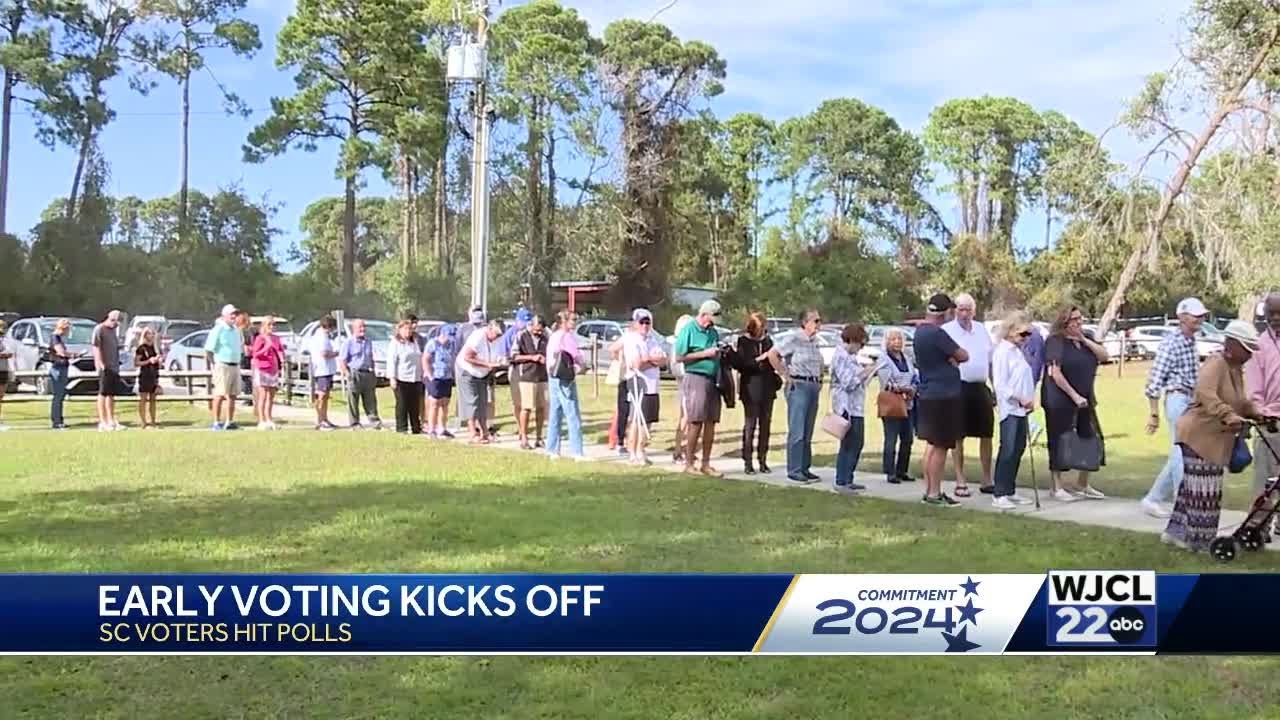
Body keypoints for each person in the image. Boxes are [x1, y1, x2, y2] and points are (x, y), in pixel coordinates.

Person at [1162, 321, 1264, 552]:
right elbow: (1205, 394)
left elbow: (1240, 400)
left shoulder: (1235, 369)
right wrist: (1228, 414)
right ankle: (1199, 541)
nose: (1249, 354)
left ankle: (1175, 533)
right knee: (1205, 490)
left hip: (1215, 438)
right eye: (1246, 348)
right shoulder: (1216, 363)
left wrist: (1256, 413)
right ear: (1232, 344)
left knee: (1193, 488)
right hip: (1199, 436)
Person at [1141, 298, 1209, 517]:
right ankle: (1185, 504)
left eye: (1201, 315)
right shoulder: (1172, 342)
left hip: (1189, 400)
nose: (1200, 319)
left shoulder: (1190, 341)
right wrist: (1153, 414)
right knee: (1181, 453)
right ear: (1182, 317)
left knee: (1181, 453)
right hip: (1177, 400)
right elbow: (1154, 382)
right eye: (1195, 315)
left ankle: (1153, 499)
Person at [1042, 305, 1110, 501]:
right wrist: (1074, 396)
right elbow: (1055, 373)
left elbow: (1104, 356)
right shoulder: (1055, 341)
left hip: (1086, 396)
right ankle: (1057, 486)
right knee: (1060, 439)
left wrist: (1083, 340)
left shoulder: (1086, 337)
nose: (1079, 322)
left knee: (1091, 437)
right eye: (1074, 320)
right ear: (1064, 322)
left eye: (1080, 318)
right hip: (1059, 399)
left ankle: (1083, 483)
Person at [914, 294, 968, 507]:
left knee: (932, 443)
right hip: (943, 394)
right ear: (946, 312)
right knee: (942, 446)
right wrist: (952, 358)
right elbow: (963, 355)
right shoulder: (937, 334)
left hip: (928, 392)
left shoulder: (920, 332)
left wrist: (949, 358)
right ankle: (934, 493)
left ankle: (929, 490)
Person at [765, 310, 826, 484]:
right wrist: (785, 374)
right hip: (798, 385)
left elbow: (819, 363)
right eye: (816, 320)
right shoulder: (794, 338)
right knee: (797, 430)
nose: (819, 324)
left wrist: (820, 379)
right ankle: (794, 469)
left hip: (813, 385)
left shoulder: (814, 342)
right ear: (805, 322)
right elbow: (773, 355)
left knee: (808, 430)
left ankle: (805, 468)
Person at [942, 293, 995, 496]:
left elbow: (990, 362)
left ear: (974, 311)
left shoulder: (981, 330)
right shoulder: (947, 331)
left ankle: (987, 478)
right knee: (958, 435)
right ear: (955, 310)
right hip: (958, 387)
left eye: (968, 309)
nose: (964, 314)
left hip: (980, 387)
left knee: (986, 433)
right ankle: (960, 479)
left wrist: (995, 387)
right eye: (960, 309)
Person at [991, 314, 1038, 510]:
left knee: (1018, 448)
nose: (1026, 337)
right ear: (1010, 331)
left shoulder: (1018, 351)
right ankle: (1000, 492)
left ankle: (1010, 489)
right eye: (1023, 333)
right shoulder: (1002, 352)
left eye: (1028, 334)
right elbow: (1001, 385)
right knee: (1008, 449)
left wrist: (1030, 399)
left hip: (1022, 409)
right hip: (1010, 409)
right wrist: (1019, 398)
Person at [674, 300, 726, 478]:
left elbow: (714, 350)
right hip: (695, 378)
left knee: (711, 421)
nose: (712, 323)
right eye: (711, 319)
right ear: (704, 315)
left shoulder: (712, 332)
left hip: (713, 379)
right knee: (696, 420)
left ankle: (706, 463)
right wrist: (705, 354)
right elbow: (679, 356)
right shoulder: (688, 329)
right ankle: (689, 462)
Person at [1245, 293, 1280, 542]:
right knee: (1265, 481)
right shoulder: (1259, 347)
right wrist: (1260, 415)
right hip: (1271, 423)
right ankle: (1257, 528)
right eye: (1271, 314)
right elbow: (1254, 392)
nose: (1276, 318)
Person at [831, 324, 876, 494]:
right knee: (850, 443)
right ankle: (841, 480)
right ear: (851, 340)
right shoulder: (841, 356)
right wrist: (865, 372)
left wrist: (867, 373)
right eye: (860, 344)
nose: (860, 348)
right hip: (845, 406)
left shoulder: (850, 357)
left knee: (857, 442)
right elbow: (848, 382)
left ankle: (848, 478)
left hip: (856, 406)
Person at [733, 312, 780, 475]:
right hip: (751, 387)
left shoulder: (768, 341)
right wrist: (760, 359)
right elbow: (742, 364)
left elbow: (774, 360)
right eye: (761, 327)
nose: (763, 330)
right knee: (750, 425)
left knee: (765, 425)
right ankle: (747, 461)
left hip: (767, 386)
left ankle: (763, 459)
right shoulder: (743, 341)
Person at [621, 308, 667, 466]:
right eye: (642, 322)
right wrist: (651, 359)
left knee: (648, 421)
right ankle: (633, 452)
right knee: (636, 419)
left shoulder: (652, 340)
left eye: (647, 322)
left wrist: (649, 359)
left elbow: (663, 360)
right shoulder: (632, 340)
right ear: (635, 323)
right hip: (638, 384)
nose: (645, 325)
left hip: (652, 386)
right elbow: (636, 364)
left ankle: (641, 449)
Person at [877, 327, 917, 484]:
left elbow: (914, 375)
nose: (897, 342)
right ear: (887, 341)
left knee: (907, 438)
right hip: (892, 403)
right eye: (893, 339)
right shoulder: (883, 359)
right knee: (891, 438)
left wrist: (913, 388)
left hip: (908, 403)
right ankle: (890, 471)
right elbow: (886, 381)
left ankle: (902, 470)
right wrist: (902, 389)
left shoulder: (906, 358)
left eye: (899, 339)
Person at [456, 319, 506, 443]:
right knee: (471, 402)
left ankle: (485, 432)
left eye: (499, 335)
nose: (497, 337)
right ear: (489, 329)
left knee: (483, 402)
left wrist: (499, 363)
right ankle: (472, 433)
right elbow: (467, 356)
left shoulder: (498, 338)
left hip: (483, 374)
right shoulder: (478, 336)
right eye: (496, 334)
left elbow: (497, 354)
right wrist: (487, 364)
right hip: (467, 370)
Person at [545, 310, 586, 460]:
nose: (575, 322)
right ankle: (577, 451)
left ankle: (551, 449)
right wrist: (582, 365)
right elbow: (576, 356)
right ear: (564, 322)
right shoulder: (567, 337)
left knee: (555, 413)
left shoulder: (553, 336)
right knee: (572, 414)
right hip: (565, 378)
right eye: (573, 320)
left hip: (553, 377)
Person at [202, 304, 243, 431]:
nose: (234, 316)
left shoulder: (236, 330)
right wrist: (214, 364)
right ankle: (216, 422)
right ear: (224, 316)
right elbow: (208, 350)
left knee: (232, 395)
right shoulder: (218, 329)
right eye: (231, 314)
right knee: (220, 394)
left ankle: (229, 421)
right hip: (222, 365)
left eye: (235, 314)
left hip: (234, 365)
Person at [512, 314, 550, 450]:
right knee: (526, 407)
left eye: (541, 330)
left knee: (542, 408)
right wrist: (532, 357)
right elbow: (514, 356)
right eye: (536, 330)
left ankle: (539, 437)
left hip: (542, 376)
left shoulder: (546, 337)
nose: (538, 333)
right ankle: (524, 437)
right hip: (526, 376)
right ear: (531, 326)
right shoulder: (521, 336)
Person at [340, 319, 382, 430]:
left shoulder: (368, 341)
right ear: (354, 329)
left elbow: (370, 357)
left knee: (370, 399)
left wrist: (373, 370)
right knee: (353, 400)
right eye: (360, 327)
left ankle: (374, 421)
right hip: (355, 373)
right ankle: (355, 423)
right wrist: (347, 374)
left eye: (364, 327)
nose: (363, 329)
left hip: (367, 373)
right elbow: (343, 360)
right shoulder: (348, 342)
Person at [387, 320, 425, 434]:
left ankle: (416, 427)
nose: (408, 331)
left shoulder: (414, 343)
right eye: (405, 329)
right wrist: (392, 378)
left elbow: (419, 358)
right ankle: (402, 427)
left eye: (410, 329)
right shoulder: (395, 343)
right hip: (401, 378)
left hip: (415, 378)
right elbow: (391, 361)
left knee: (415, 404)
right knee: (402, 404)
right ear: (399, 330)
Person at [92, 309, 125, 432]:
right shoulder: (99, 329)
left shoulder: (113, 332)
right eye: (115, 322)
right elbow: (96, 347)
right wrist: (101, 364)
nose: (116, 325)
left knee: (111, 394)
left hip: (114, 366)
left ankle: (111, 420)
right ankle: (103, 421)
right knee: (103, 393)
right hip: (104, 367)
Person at [250, 315, 285, 430]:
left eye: (273, 324)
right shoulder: (260, 338)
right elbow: (255, 354)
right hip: (262, 368)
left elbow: (280, 350)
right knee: (263, 395)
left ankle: (269, 418)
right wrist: (266, 348)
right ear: (264, 325)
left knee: (271, 395)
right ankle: (261, 420)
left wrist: (282, 359)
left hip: (273, 368)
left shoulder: (276, 338)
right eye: (269, 324)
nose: (272, 327)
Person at [424, 324, 458, 438]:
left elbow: (452, 359)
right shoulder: (432, 343)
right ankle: (431, 429)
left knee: (445, 403)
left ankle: (442, 428)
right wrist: (430, 376)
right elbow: (426, 360)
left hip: (446, 377)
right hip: (435, 376)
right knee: (434, 403)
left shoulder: (451, 345)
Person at [308, 315, 340, 431]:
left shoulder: (323, 336)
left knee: (325, 396)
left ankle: (325, 418)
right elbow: (324, 353)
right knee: (321, 396)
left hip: (326, 370)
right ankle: (320, 421)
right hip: (322, 370)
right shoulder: (321, 337)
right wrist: (336, 353)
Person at [670, 314, 695, 465]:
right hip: (685, 384)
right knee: (685, 418)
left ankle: (687, 449)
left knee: (691, 418)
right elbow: (675, 367)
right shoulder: (678, 344)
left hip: (692, 383)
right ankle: (678, 450)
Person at [503, 308, 532, 428]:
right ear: (517, 321)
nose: (526, 325)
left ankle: (524, 426)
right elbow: (504, 353)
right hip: (515, 369)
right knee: (517, 401)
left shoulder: (530, 332)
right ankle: (520, 426)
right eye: (524, 322)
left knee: (527, 402)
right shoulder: (510, 333)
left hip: (529, 371)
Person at [47, 318, 75, 430]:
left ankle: (59, 419)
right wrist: (73, 355)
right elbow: (61, 352)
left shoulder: (59, 338)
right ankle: (56, 421)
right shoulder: (55, 338)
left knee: (61, 395)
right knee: (58, 396)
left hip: (62, 368)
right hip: (57, 369)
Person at [134, 326, 162, 428]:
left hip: (154, 375)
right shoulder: (141, 348)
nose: (152, 335)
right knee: (143, 399)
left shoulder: (155, 348)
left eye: (153, 333)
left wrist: (158, 361)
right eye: (150, 333)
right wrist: (148, 361)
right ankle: (143, 421)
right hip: (145, 375)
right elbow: (136, 363)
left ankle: (153, 421)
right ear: (145, 335)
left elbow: (158, 361)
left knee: (153, 400)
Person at [235, 311, 254, 405]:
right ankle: (248, 396)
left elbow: (245, 343)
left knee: (245, 376)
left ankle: (248, 397)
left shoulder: (242, 330)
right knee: (246, 376)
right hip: (248, 354)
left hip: (245, 355)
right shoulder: (250, 330)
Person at [0, 320, 11, 431]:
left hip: (3, 369)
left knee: (1, 397)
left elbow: (11, 352)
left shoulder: (5, 340)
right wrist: (4, 354)